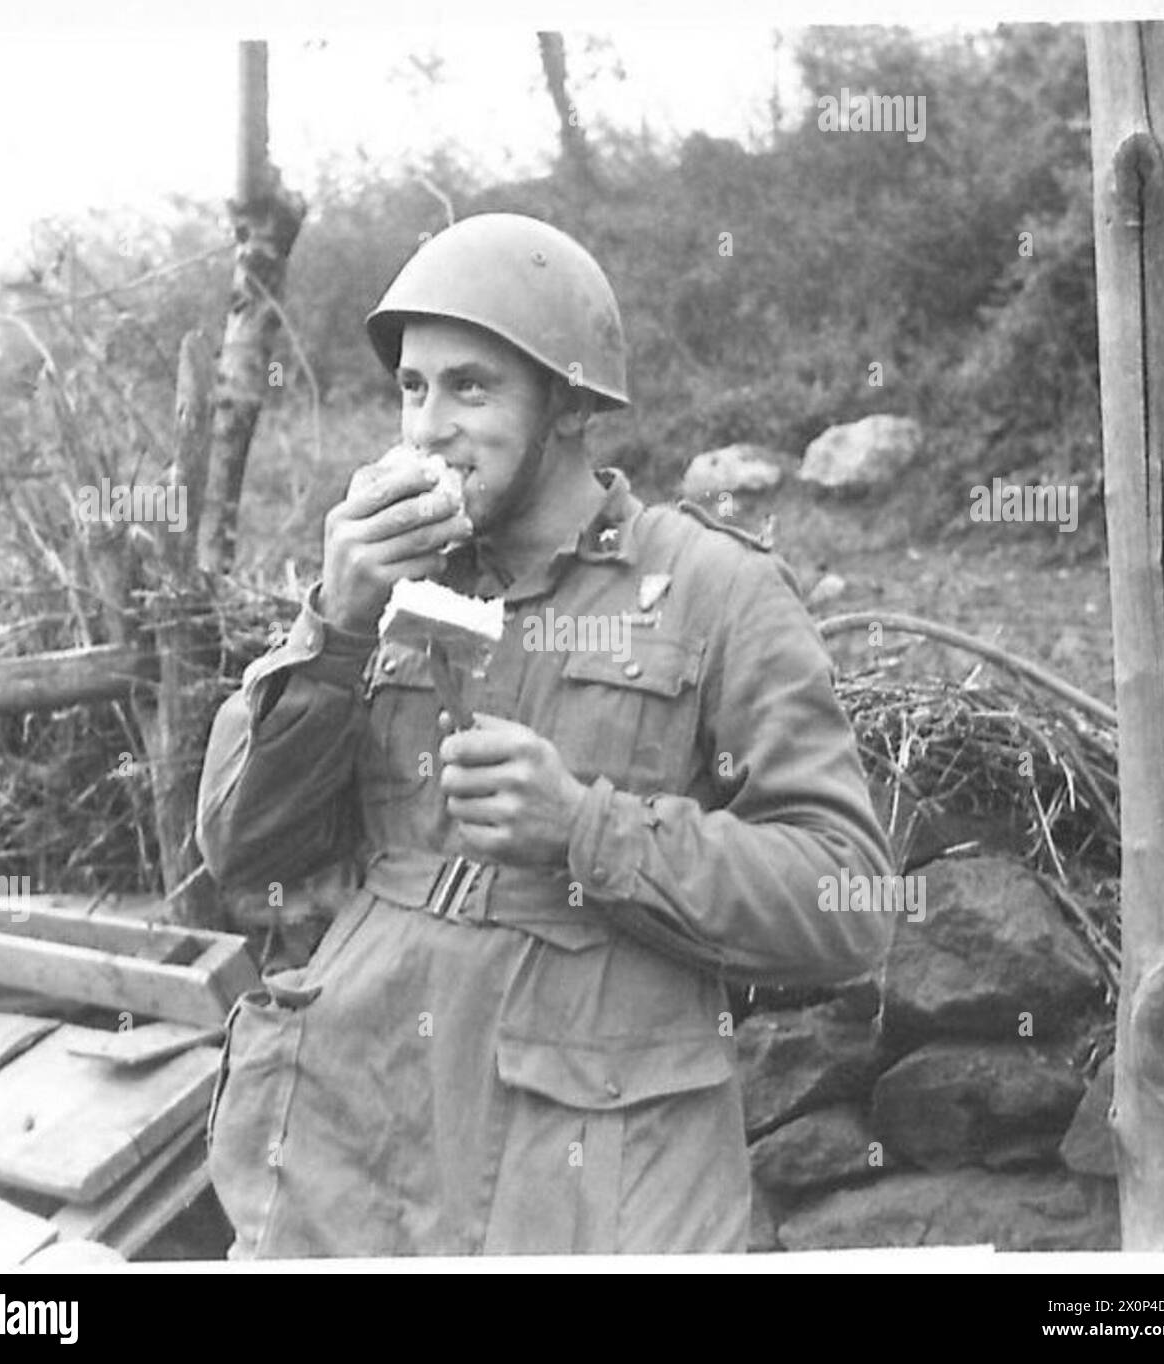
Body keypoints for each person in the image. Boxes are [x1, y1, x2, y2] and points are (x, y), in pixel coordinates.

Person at [196, 213, 893, 1257]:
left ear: (567, 403)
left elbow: (848, 901)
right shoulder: (378, 586)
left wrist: (586, 828)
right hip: (353, 1154)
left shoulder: (712, 588)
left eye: (470, 388)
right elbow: (242, 858)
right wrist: (329, 629)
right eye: (412, 387)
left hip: (583, 1180)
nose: (428, 426)